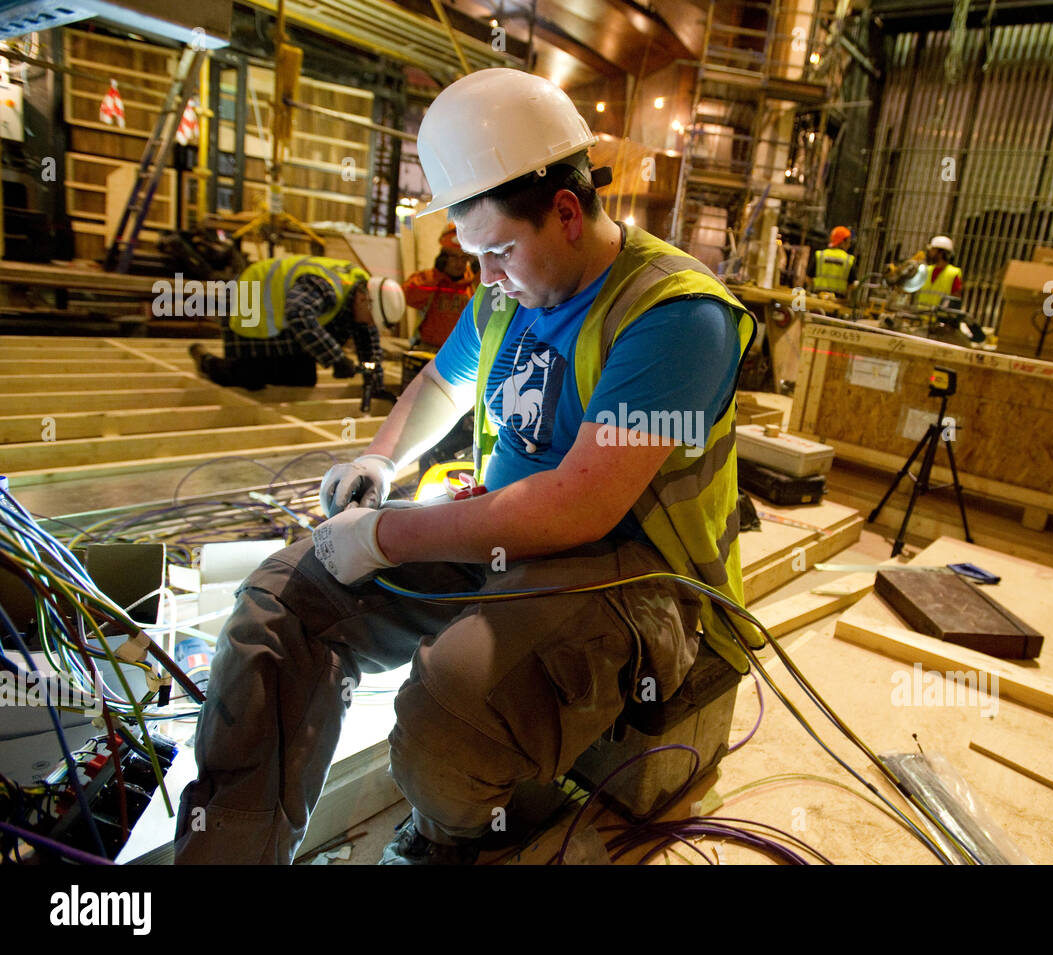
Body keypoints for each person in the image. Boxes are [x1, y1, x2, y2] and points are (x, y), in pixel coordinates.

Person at [172, 67, 760, 866]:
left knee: (451, 714)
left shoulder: (677, 316)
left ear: (565, 211)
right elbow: (441, 384)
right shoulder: (507, 294)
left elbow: (578, 507)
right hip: (508, 527)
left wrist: (386, 539)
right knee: (281, 606)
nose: (487, 278)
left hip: (631, 573)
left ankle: (458, 840)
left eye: (499, 251)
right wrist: (382, 460)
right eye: (476, 254)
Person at [189, 256, 405, 389]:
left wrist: (375, 381)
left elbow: (368, 341)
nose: (370, 325)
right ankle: (207, 362)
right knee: (249, 378)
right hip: (248, 300)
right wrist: (336, 359)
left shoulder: (361, 290)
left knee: (302, 377)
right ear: (363, 300)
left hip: (275, 310)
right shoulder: (327, 288)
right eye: (371, 319)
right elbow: (298, 314)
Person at [402, 222, 481, 350]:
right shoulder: (430, 281)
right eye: (454, 257)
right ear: (443, 258)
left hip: (459, 353)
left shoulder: (472, 285)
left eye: (464, 258)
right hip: (428, 350)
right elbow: (407, 295)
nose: (459, 263)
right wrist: (437, 275)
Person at [915, 235, 963, 310]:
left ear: (941, 253)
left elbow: (955, 300)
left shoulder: (953, 273)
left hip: (938, 320)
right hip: (920, 317)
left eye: (933, 250)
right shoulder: (926, 270)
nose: (930, 252)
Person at [811, 225, 855, 297]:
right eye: (848, 242)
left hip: (818, 298)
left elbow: (808, 278)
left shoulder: (820, 255)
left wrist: (816, 287)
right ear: (842, 242)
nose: (849, 245)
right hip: (837, 301)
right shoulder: (848, 260)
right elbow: (852, 284)